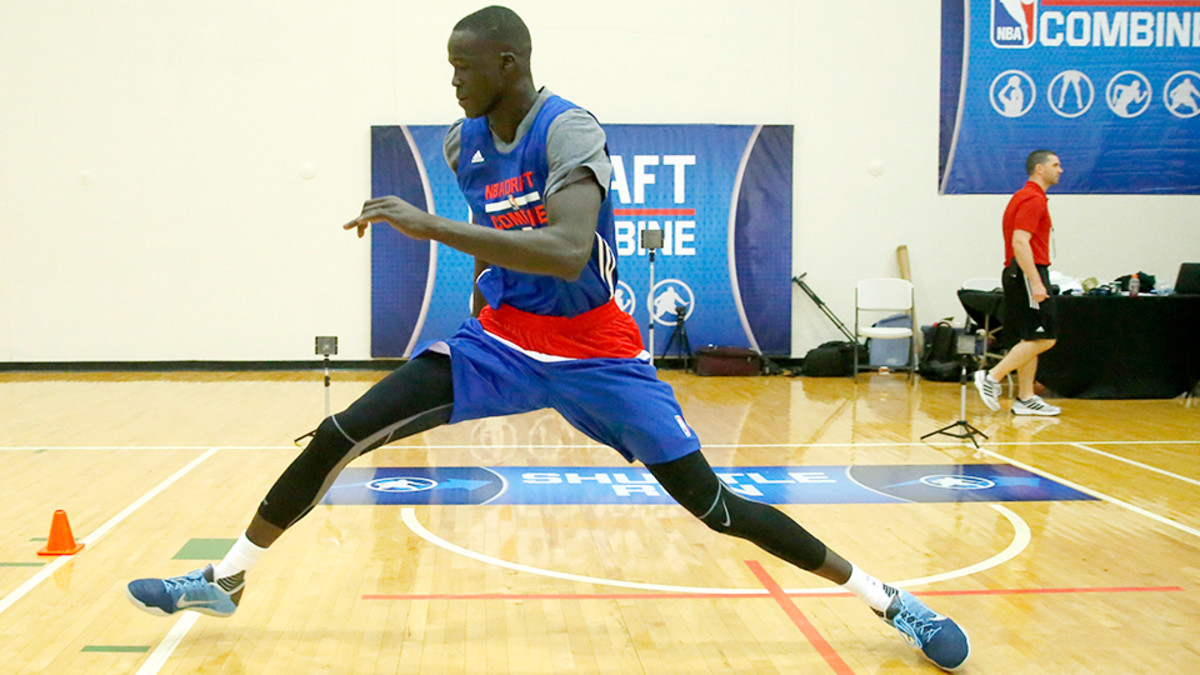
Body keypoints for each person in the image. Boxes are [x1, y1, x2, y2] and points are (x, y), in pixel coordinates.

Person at [126, 6, 969, 670]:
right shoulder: (464, 144)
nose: (451, 82)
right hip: (500, 342)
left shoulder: (569, 131)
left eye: (464, 67)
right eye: (448, 66)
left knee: (715, 508)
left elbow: (567, 252)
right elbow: (502, 240)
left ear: (510, 64)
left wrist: (429, 228)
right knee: (344, 431)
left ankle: (891, 598)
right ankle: (225, 574)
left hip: (597, 351)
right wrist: (478, 295)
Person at [974, 149, 1063, 416]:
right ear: (1040, 168)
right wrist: (1036, 282)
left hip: (1023, 272)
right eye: (1056, 165)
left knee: (1030, 336)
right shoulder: (1032, 199)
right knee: (1046, 337)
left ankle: (1025, 397)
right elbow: (1020, 241)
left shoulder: (1026, 197)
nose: (1061, 170)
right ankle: (992, 378)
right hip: (1026, 272)